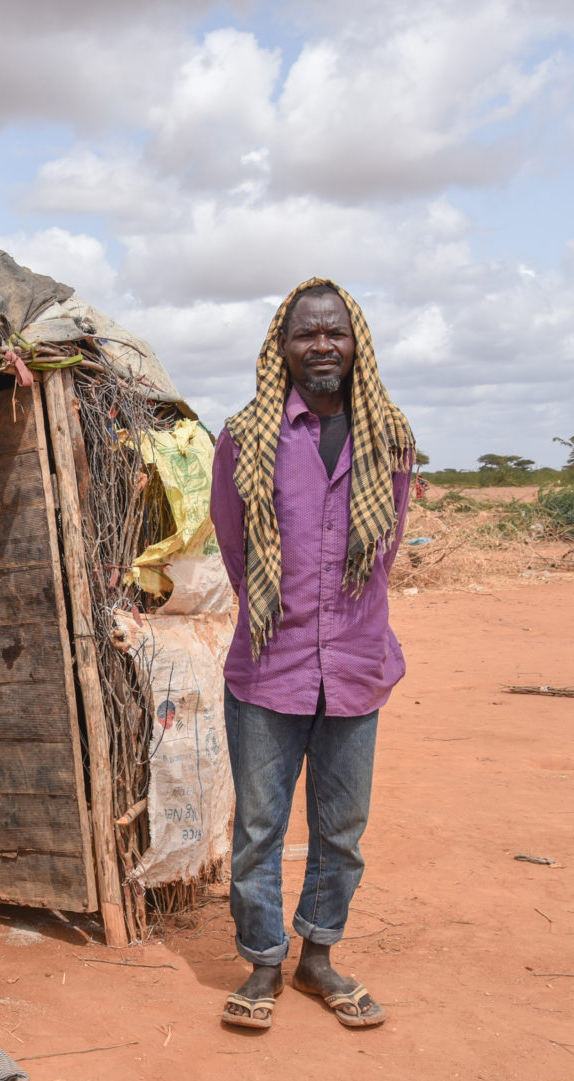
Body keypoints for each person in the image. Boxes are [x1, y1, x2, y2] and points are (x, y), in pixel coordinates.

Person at [208, 278, 414, 1031]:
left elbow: (384, 547)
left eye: (334, 332)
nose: (321, 345)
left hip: (357, 666)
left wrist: (341, 626)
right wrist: (279, 614)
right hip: (269, 665)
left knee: (340, 828)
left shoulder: (388, 436)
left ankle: (317, 956)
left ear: (354, 341)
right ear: (283, 347)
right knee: (259, 827)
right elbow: (235, 548)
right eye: (306, 334)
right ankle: (262, 959)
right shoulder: (248, 434)